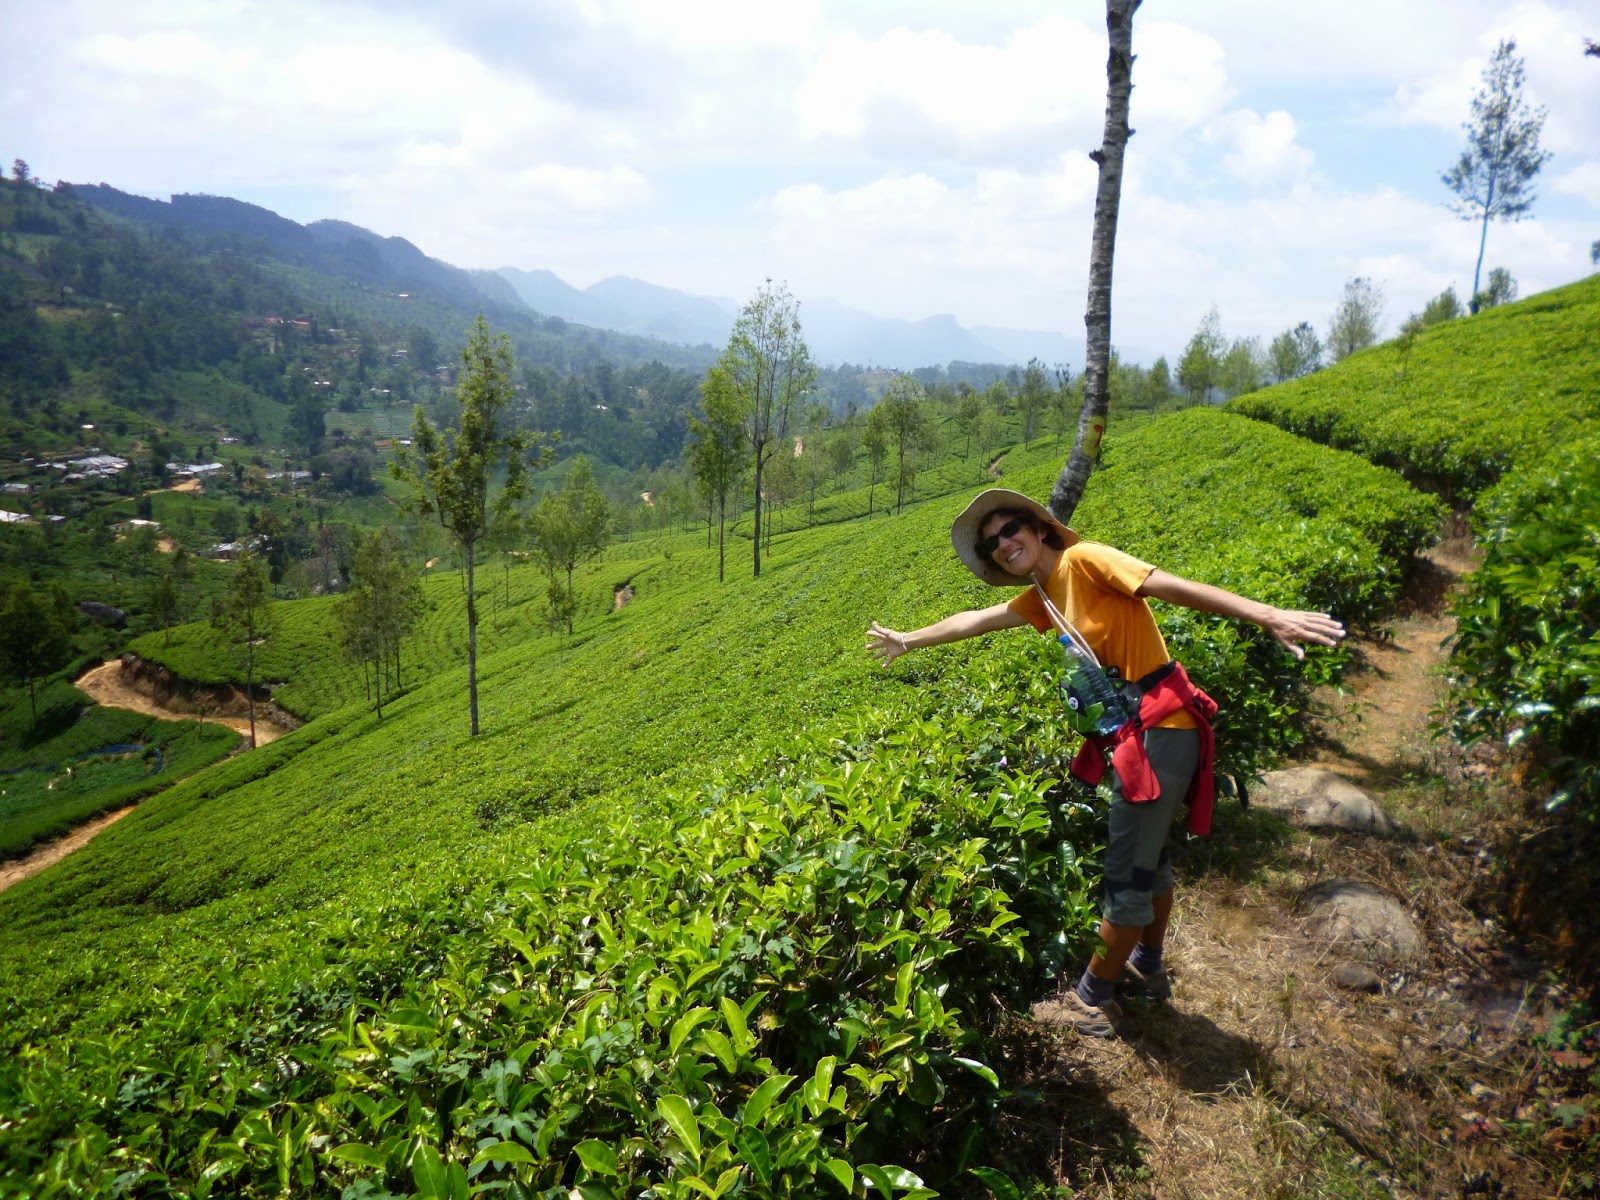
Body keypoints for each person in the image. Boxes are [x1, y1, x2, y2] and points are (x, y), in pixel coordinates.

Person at [865, 488, 1344, 1038]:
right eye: (992, 542)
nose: (1003, 544)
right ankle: (1149, 964)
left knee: (1127, 872)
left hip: (1161, 729)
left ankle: (1091, 997)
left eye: (1010, 530)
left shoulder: (1084, 559)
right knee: (1150, 856)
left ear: (1040, 529)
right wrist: (907, 638)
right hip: (1140, 736)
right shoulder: (1045, 596)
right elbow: (975, 619)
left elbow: (1169, 586)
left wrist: (1265, 615)